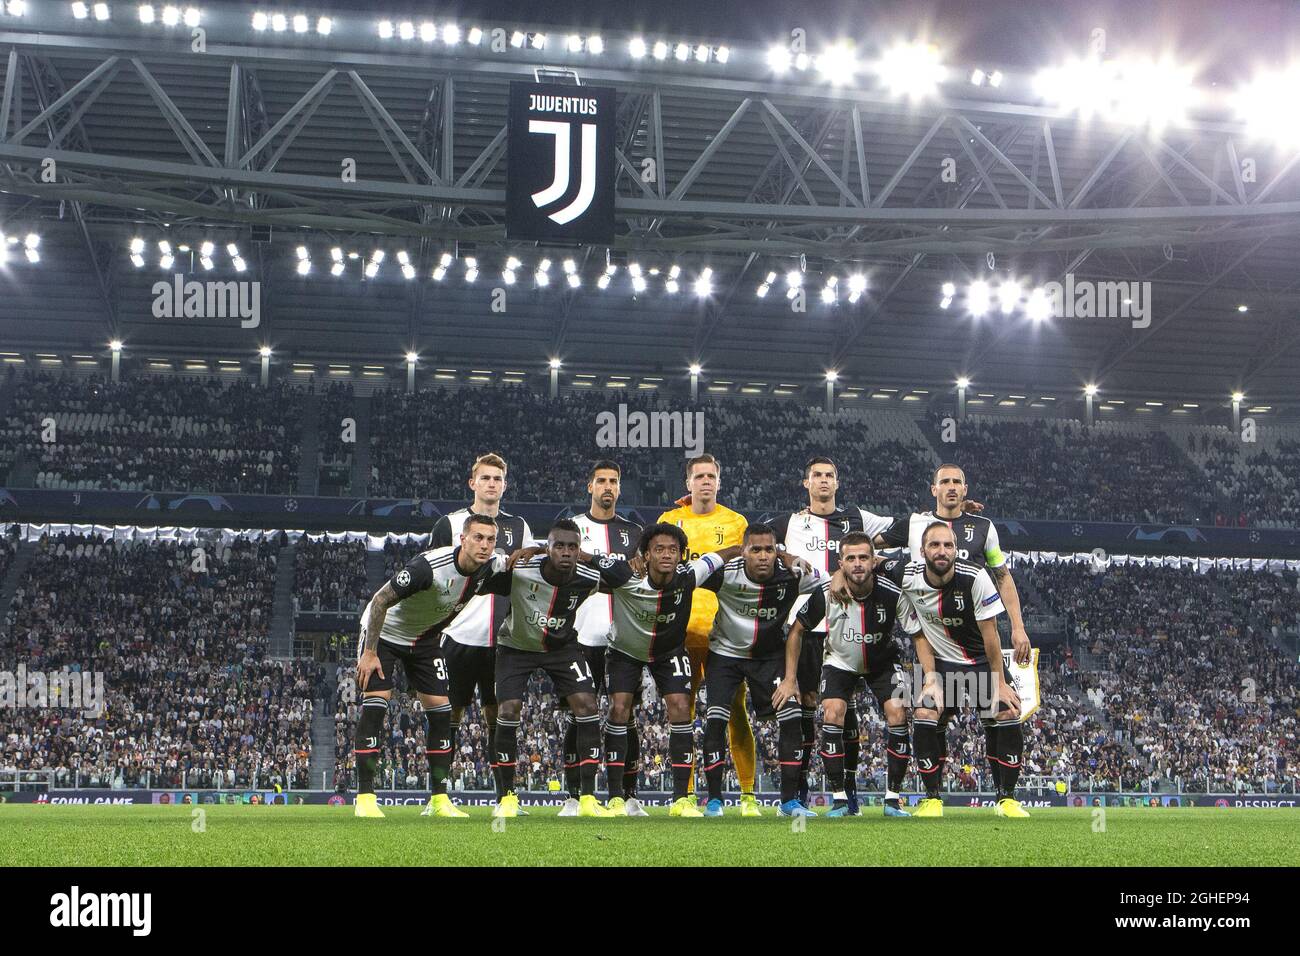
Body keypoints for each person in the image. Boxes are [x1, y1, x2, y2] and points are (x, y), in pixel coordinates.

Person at [352, 513, 504, 819]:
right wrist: (369, 653)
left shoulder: (490, 568)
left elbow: (518, 565)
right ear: (462, 539)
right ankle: (365, 797)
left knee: (441, 712)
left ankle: (439, 800)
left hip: (424, 640)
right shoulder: (428, 568)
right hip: (385, 633)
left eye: (490, 540)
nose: (484, 545)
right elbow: (380, 601)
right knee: (376, 705)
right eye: (478, 537)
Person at [776, 532, 916, 817]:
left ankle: (892, 800)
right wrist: (790, 679)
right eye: (850, 558)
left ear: (874, 560)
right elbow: (796, 631)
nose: (857, 564)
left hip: (882, 663)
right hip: (839, 662)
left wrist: (931, 678)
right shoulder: (827, 591)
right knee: (832, 712)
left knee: (898, 713)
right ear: (841, 563)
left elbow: (919, 634)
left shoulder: (892, 592)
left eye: (864, 557)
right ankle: (839, 799)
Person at [480, 520, 609, 818]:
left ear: (580, 550)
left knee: (588, 706)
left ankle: (587, 797)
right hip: (515, 647)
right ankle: (508, 797)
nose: (566, 552)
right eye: (558, 546)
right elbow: (479, 577)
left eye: (572, 547)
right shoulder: (520, 570)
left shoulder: (589, 577)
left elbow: (623, 577)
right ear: (547, 548)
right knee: (508, 710)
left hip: (561, 649)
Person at [657, 454, 760, 814]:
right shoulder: (670, 521)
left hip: (724, 637)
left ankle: (748, 797)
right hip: (679, 636)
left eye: (711, 476)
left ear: (719, 481)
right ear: (687, 483)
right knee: (681, 713)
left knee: (735, 712)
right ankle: (684, 798)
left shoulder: (735, 523)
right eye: (698, 476)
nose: (705, 481)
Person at [695, 524, 821, 817]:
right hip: (724, 655)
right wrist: (727, 553)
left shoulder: (791, 574)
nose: (763, 556)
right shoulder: (727, 573)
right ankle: (714, 800)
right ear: (744, 551)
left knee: (791, 717)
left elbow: (829, 583)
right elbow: (692, 574)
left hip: (769, 656)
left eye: (769, 549)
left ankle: (788, 803)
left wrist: (789, 560)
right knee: (715, 721)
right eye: (755, 550)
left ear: (777, 551)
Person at [432, 453, 537, 800]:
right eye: (485, 478)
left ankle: (506, 798)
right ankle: (439, 797)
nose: (491, 484)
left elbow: (529, 579)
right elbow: (433, 576)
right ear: (472, 483)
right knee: (450, 715)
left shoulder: (520, 528)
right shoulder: (449, 525)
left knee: (501, 717)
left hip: (503, 640)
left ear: (504, 486)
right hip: (456, 636)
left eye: (497, 479)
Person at [566, 460, 644, 816]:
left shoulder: (634, 532)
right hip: (582, 636)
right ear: (590, 487)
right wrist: (612, 566)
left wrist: (595, 561)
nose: (608, 487)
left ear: (619, 487)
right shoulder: (574, 528)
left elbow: (636, 574)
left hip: (625, 639)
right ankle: (573, 797)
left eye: (613, 481)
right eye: (601, 481)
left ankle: (627, 796)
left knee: (624, 716)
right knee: (578, 716)